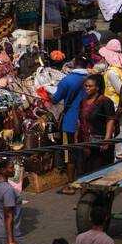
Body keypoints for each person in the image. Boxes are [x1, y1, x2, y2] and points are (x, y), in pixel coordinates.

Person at [50, 57, 90, 190]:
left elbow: (55, 99)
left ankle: (70, 185)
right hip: (88, 121)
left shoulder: (67, 80)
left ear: (74, 65)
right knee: (86, 151)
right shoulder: (93, 79)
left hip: (70, 122)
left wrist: (47, 94)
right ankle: (87, 181)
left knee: (70, 154)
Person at [77, 74, 117, 175]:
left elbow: (110, 120)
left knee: (100, 171)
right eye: (86, 86)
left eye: (90, 86)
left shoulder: (105, 101)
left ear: (97, 88)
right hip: (84, 141)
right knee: (85, 170)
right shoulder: (83, 101)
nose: (87, 88)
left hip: (99, 140)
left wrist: (107, 140)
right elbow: (79, 120)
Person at [0, 156, 24, 244]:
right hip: (7, 234)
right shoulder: (7, 189)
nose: (14, 170)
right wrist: (11, 241)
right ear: (3, 170)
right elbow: (8, 215)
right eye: (11, 167)